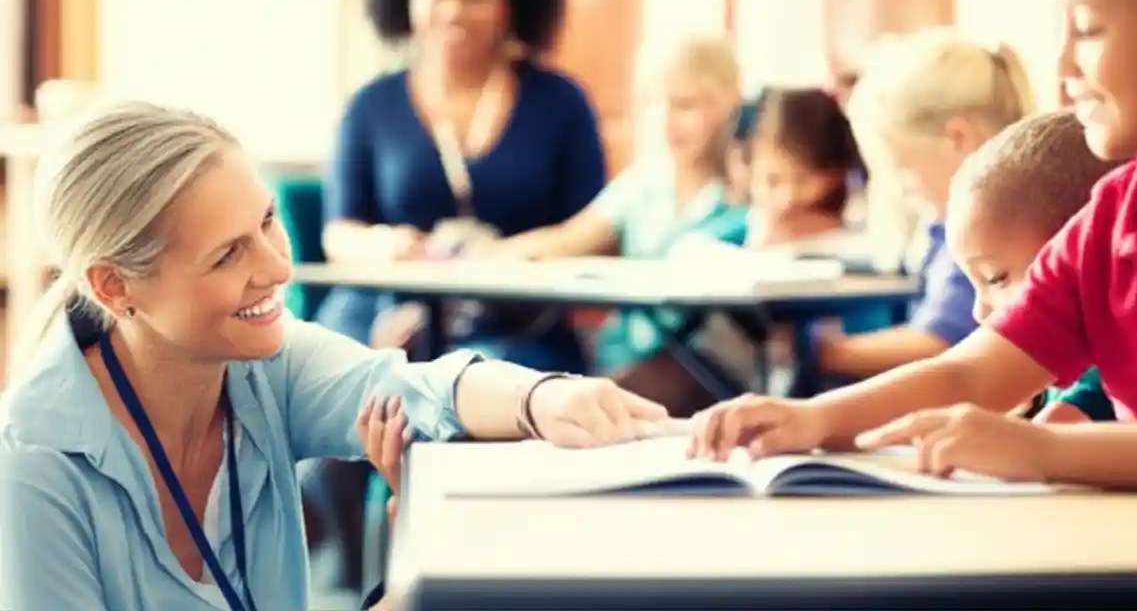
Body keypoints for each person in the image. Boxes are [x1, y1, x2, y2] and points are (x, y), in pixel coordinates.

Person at [688, 0, 1137, 496]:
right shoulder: (1112, 219)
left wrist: (1048, 449)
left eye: (1088, 30)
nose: (1062, 64)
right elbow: (973, 374)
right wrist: (813, 419)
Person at [0, 103, 667, 611]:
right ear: (115, 287)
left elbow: (420, 391)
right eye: (227, 254)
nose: (278, 266)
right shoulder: (37, 465)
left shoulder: (265, 367)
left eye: (266, 222)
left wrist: (544, 398)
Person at [317, 0, 604, 375]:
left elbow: (597, 225)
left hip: (513, 319)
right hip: (382, 311)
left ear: (512, 4)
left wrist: (514, 255)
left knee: (498, 384)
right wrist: (387, 245)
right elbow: (339, 231)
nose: (453, 11)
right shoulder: (371, 105)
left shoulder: (560, 100)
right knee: (343, 387)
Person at [483, 36, 745, 372]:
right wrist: (476, 254)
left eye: (685, 105)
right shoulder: (643, 185)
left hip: (708, 367)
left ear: (728, 106)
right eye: (654, 104)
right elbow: (565, 241)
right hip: (626, 360)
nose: (666, 121)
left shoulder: (748, 194)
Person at [615, 88, 882, 414]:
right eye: (771, 180)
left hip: (831, 394)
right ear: (743, 167)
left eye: (803, 181)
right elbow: (686, 252)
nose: (786, 198)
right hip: (725, 382)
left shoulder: (863, 241)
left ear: (834, 174)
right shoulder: (746, 225)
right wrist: (758, 247)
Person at [815, 29, 1038, 380]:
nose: (903, 191)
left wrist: (826, 351)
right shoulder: (946, 224)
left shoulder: (988, 228)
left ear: (957, 139)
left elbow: (940, 342)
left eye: (903, 171)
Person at [947, 110, 1117, 422]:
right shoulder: (1044, 377)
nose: (979, 312)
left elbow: (1051, 431)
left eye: (996, 278)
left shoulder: (1097, 389)